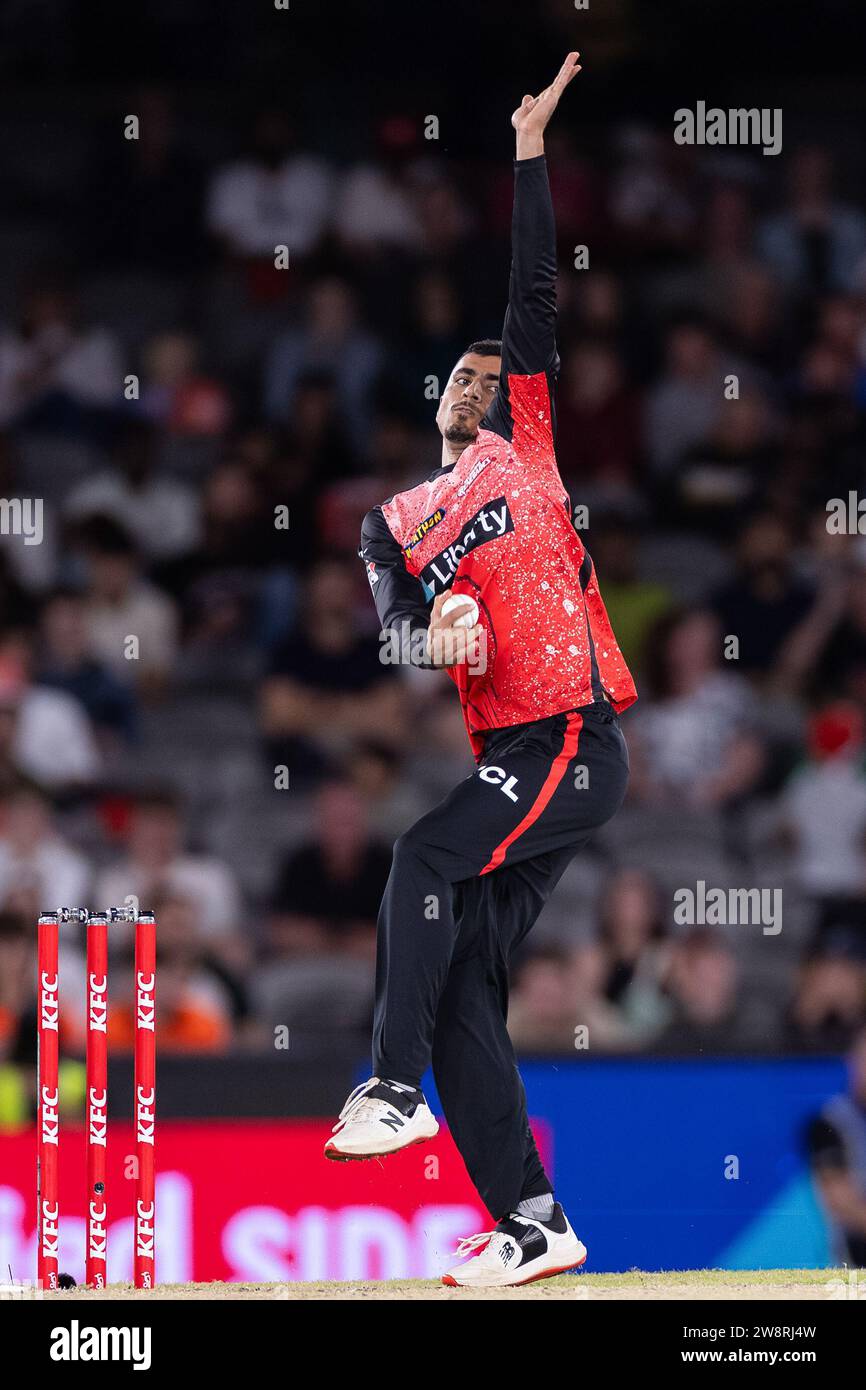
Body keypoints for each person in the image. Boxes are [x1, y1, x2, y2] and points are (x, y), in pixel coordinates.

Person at [325, 55, 636, 1289]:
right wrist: (427, 636)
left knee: (419, 856)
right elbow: (393, 622)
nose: (478, 380)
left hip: (570, 734)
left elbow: (532, 295)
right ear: (435, 400)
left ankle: (392, 1087)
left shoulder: (529, 449)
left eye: (491, 373)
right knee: (458, 982)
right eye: (461, 375)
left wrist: (523, 151)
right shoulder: (394, 515)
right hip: (515, 754)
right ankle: (531, 1220)